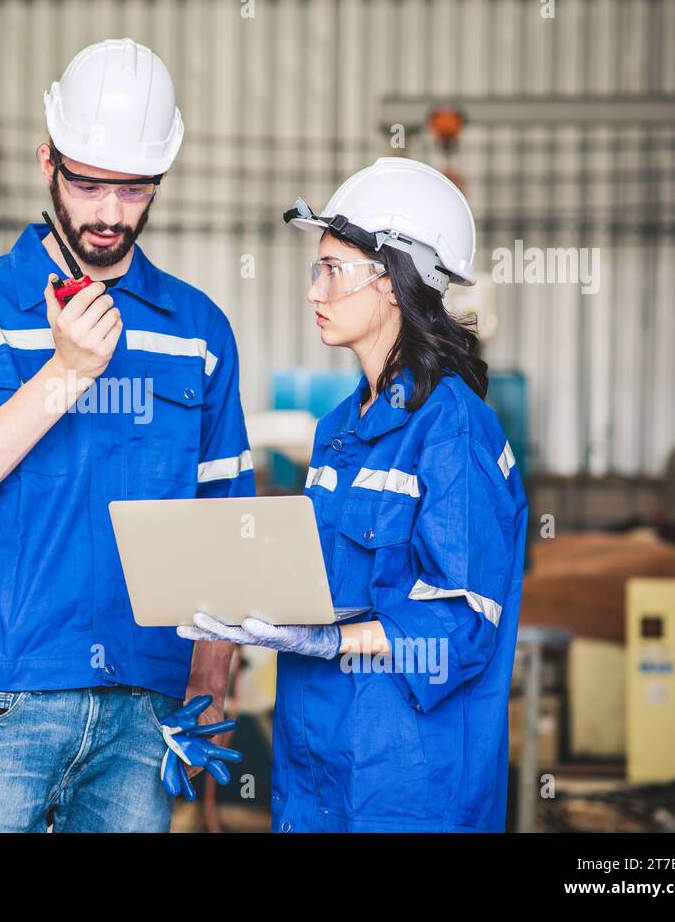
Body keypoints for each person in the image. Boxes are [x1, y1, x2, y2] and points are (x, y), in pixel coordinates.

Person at [0, 38, 252, 832]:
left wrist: (207, 687)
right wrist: (64, 373)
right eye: (88, 184)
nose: (107, 213)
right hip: (0, 698)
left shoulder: (197, 332)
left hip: (144, 707)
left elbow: (224, 518)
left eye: (132, 189)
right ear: (47, 163)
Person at [181, 157, 528, 832]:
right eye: (317, 269)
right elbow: (316, 586)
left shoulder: (453, 430)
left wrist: (323, 640)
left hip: (406, 788)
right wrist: (232, 608)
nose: (315, 290)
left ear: (395, 282)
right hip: (313, 775)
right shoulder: (337, 430)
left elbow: (459, 628)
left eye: (332, 269)